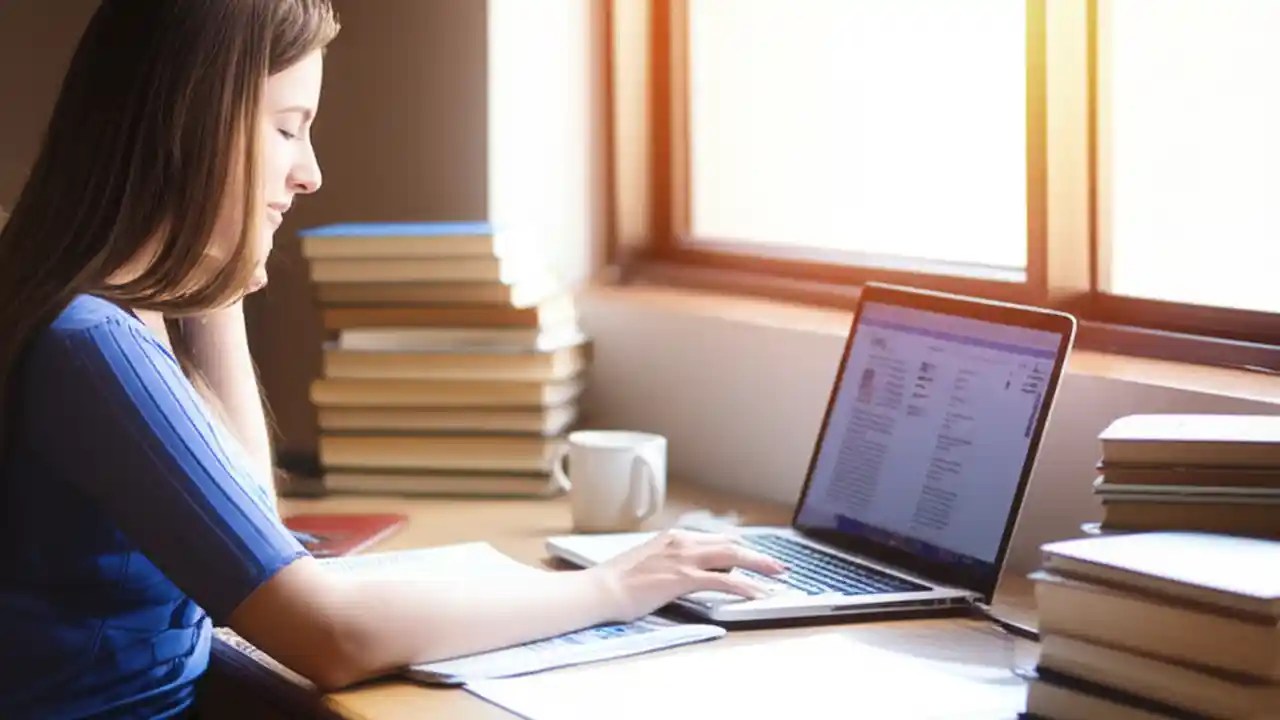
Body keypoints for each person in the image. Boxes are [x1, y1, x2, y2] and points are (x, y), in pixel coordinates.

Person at [0, 0, 784, 716]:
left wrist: (219, 286)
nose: (308, 173)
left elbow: (253, 534)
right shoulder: (93, 344)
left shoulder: (109, 308)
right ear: (192, 126)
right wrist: (613, 586)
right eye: (286, 127)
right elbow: (328, 633)